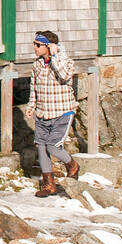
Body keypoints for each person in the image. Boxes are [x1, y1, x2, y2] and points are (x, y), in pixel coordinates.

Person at [24, 30, 78, 197]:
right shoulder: (37, 64)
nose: (34, 47)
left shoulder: (66, 62)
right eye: (34, 44)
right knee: (41, 146)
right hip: (42, 112)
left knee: (53, 146)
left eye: (38, 45)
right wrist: (31, 105)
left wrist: (54, 56)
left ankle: (72, 165)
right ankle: (48, 184)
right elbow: (34, 87)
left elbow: (64, 76)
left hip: (62, 112)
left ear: (49, 46)